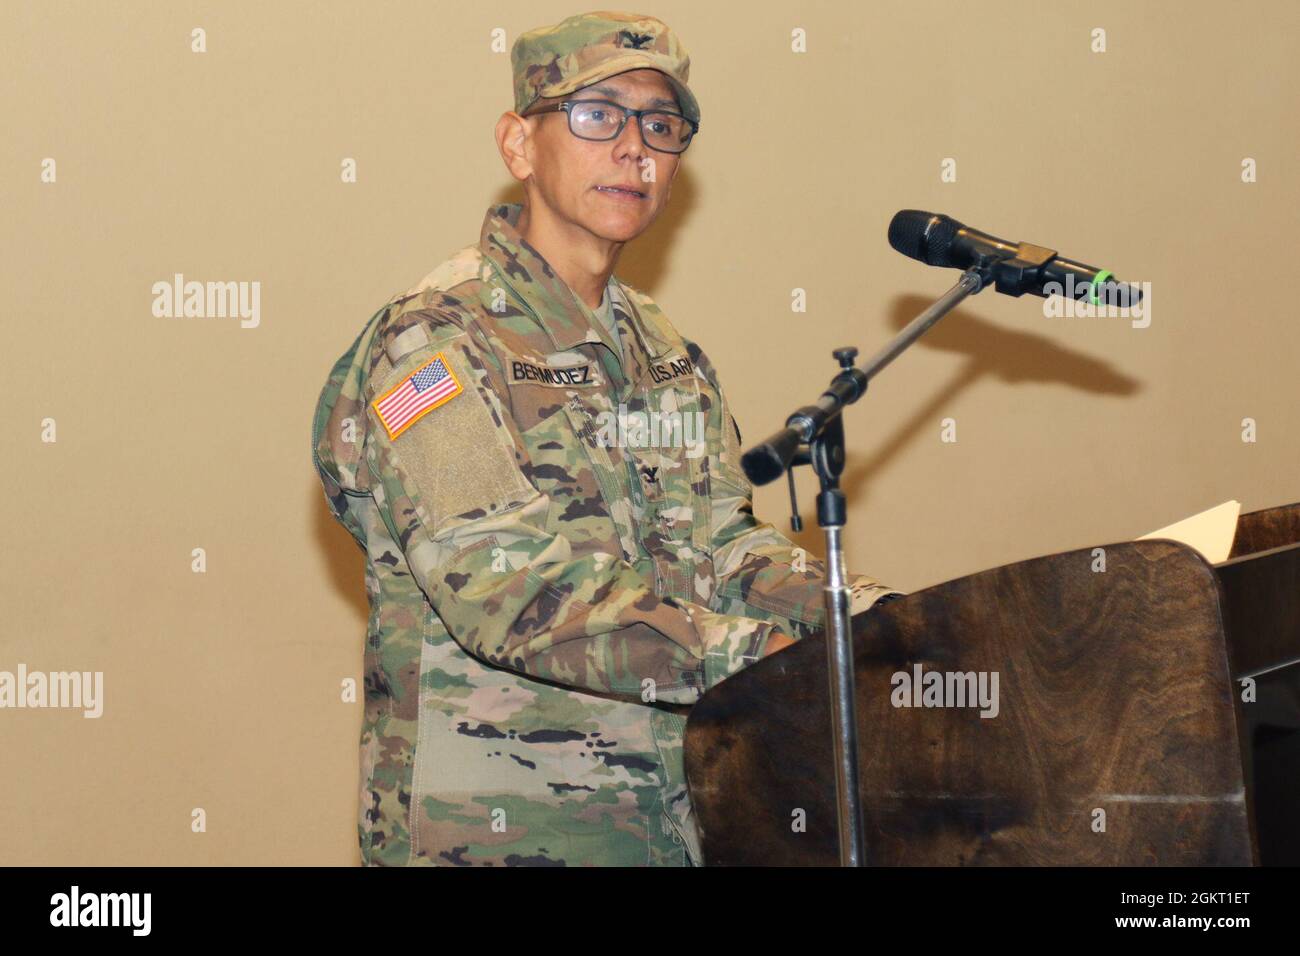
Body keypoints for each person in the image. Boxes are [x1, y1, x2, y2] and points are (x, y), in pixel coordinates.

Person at [312, 10, 899, 866]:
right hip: (497, 837)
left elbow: (721, 550)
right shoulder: (434, 344)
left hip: (674, 823)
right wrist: (780, 660)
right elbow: (511, 592)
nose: (635, 149)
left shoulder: (663, 353)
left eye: (661, 126)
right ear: (519, 145)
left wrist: (869, 621)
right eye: (597, 115)